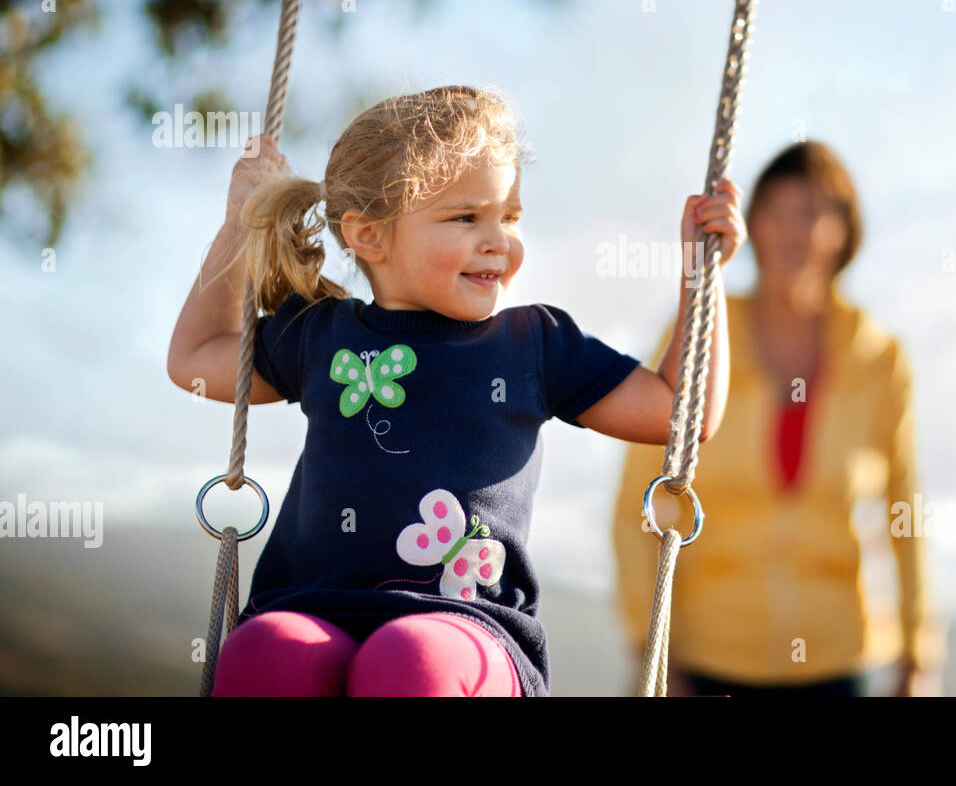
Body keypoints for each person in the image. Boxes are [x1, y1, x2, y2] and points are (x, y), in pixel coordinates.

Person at [166, 86, 747, 696]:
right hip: (314, 608)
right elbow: (196, 359)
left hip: (471, 630)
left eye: (510, 216)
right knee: (268, 650)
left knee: (409, 657)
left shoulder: (535, 346)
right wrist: (238, 224)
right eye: (467, 217)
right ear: (368, 235)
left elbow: (682, 414)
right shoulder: (322, 337)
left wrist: (700, 277)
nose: (499, 240)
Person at [613, 140, 945, 696]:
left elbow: (906, 514)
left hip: (843, 666)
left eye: (815, 214)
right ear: (752, 226)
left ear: (844, 232)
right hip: (703, 665)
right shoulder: (696, 336)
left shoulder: (881, 358)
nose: (796, 232)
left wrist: (920, 657)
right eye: (778, 212)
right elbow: (634, 511)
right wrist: (652, 653)